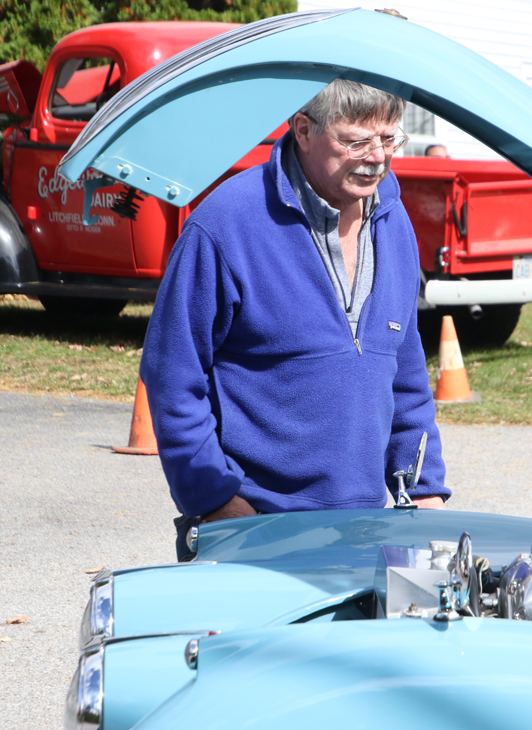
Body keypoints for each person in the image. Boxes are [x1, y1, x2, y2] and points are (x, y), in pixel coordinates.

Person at [141, 80, 448, 559]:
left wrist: (424, 491)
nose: (376, 158)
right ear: (303, 130)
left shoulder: (395, 219)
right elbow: (172, 376)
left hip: (365, 534)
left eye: (389, 139)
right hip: (251, 528)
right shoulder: (226, 222)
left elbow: (405, 376)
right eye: (355, 141)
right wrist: (217, 502)